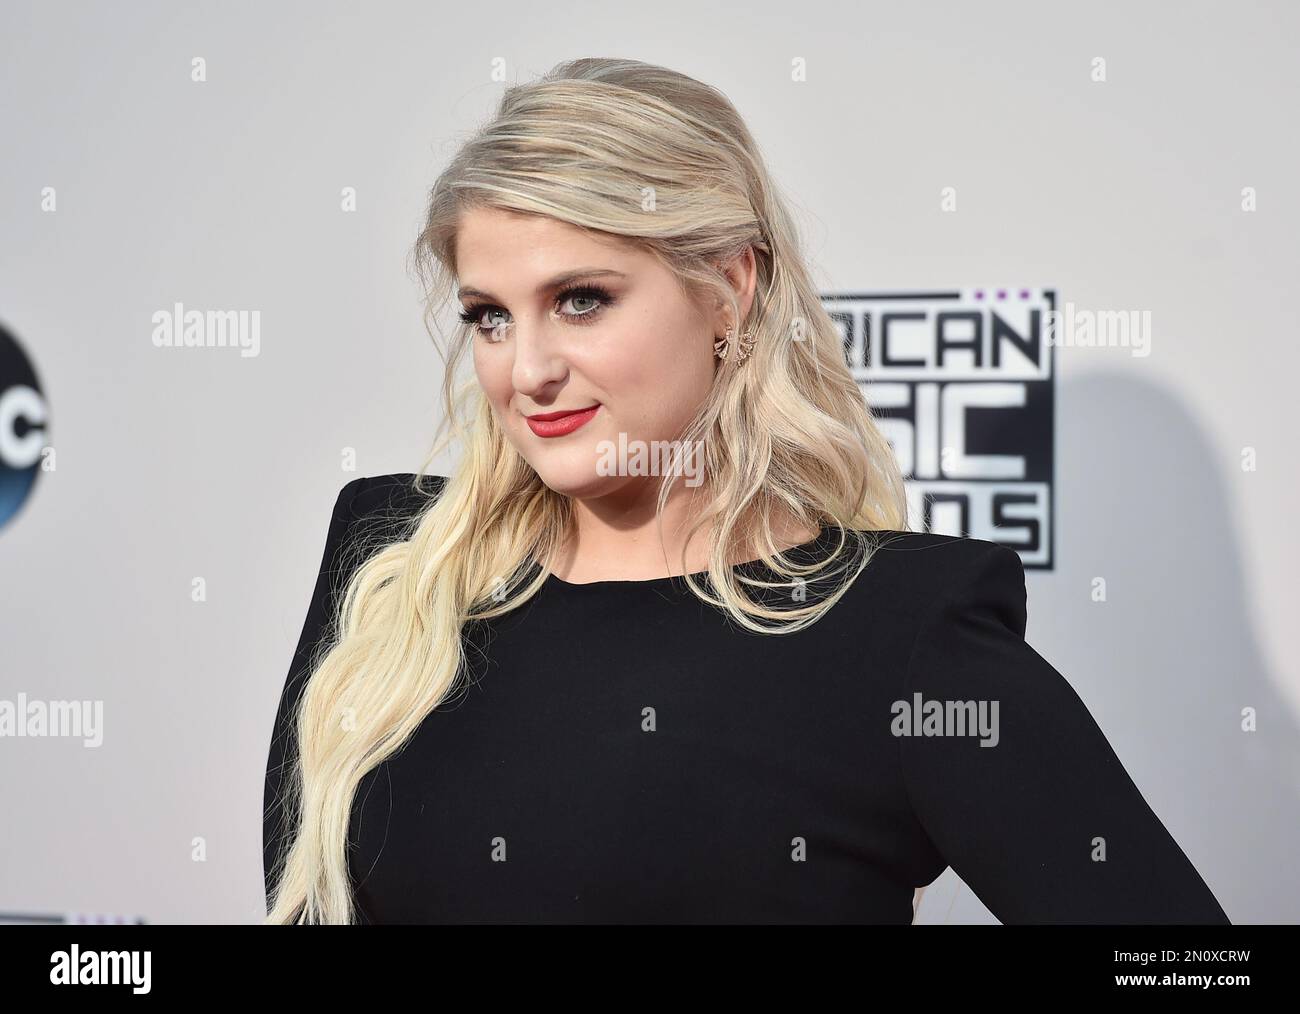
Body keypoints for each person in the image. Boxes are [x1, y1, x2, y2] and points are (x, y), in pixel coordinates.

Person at [262, 57, 1229, 925]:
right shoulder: (393, 570)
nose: (528, 370)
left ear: (729, 289)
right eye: (490, 317)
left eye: (581, 300)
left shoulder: (896, 635)